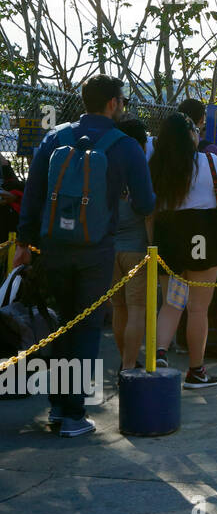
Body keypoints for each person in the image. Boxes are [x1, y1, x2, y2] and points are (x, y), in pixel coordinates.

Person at [14, 75, 156, 437]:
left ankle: (59, 408)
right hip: (96, 249)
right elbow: (145, 203)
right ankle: (75, 414)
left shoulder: (55, 137)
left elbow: (32, 194)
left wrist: (24, 244)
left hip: (53, 247)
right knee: (87, 327)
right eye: (121, 101)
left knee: (60, 324)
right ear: (112, 103)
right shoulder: (125, 146)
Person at [151, 112, 217, 389]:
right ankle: (196, 371)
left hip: (166, 236)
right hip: (202, 236)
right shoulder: (209, 161)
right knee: (197, 308)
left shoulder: (156, 166)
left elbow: (149, 211)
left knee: (171, 302)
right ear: (191, 135)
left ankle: (158, 357)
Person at [110, 118, 154, 371]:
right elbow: (147, 209)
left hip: (110, 247)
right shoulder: (140, 168)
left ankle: (125, 359)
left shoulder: (104, 166)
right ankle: (128, 367)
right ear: (141, 143)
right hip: (136, 248)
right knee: (137, 309)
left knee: (119, 308)